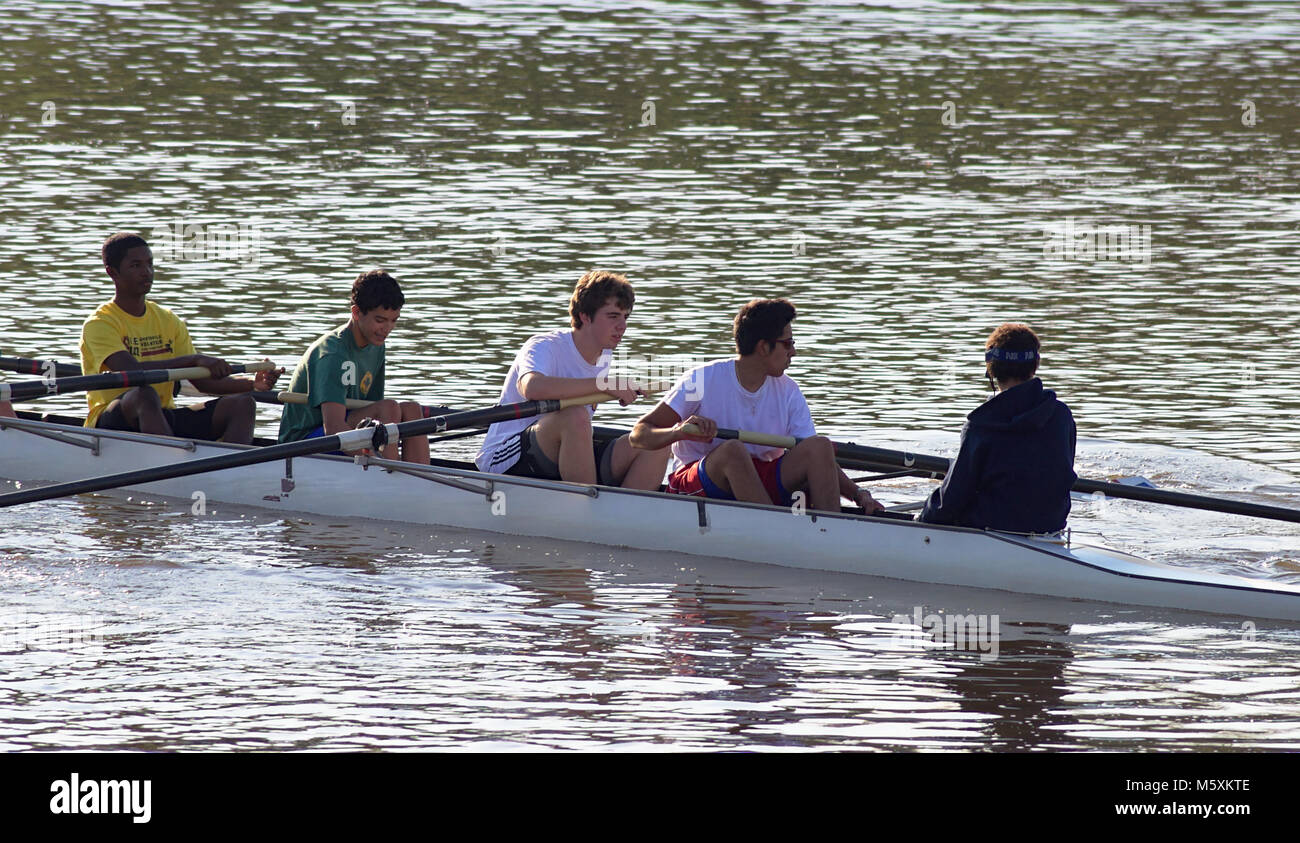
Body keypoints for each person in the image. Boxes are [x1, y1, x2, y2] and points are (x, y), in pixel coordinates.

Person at [630, 298, 883, 515]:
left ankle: (831, 533)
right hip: (697, 480)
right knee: (733, 451)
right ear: (764, 347)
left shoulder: (789, 391)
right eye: (788, 343)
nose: (793, 352)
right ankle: (774, 530)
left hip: (759, 477)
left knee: (819, 446)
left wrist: (859, 494)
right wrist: (678, 432)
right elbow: (639, 435)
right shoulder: (702, 380)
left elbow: (821, 459)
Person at [474, 270, 670, 489]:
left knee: (657, 441)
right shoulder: (544, 346)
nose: (622, 326)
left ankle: (624, 515)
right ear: (585, 316)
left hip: (559, 452)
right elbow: (532, 387)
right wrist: (606, 385)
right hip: (505, 457)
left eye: (625, 317)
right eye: (613, 316)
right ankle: (586, 511)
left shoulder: (604, 354)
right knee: (574, 415)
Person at [80, 232, 281, 442]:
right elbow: (131, 372)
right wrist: (194, 359)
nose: (147, 272)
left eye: (150, 264)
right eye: (135, 265)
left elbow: (202, 383)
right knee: (144, 394)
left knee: (243, 403)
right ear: (112, 273)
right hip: (112, 422)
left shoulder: (168, 320)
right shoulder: (100, 323)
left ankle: (229, 470)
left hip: (160, 416)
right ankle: (172, 462)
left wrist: (252, 384)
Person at [917, 322, 1076, 534]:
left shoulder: (980, 425)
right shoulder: (1061, 416)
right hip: (1050, 528)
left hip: (993, 530)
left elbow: (952, 499)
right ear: (1035, 365)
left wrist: (924, 517)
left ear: (991, 369)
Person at [278, 271, 429, 464]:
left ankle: (421, 478)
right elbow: (332, 428)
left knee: (412, 410)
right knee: (390, 408)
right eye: (380, 320)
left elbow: (374, 411)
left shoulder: (377, 345)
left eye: (394, 320)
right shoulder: (332, 354)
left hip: (346, 431)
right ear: (356, 312)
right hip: (304, 444)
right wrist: (375, 459)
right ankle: (391, 474)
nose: (387, 329)